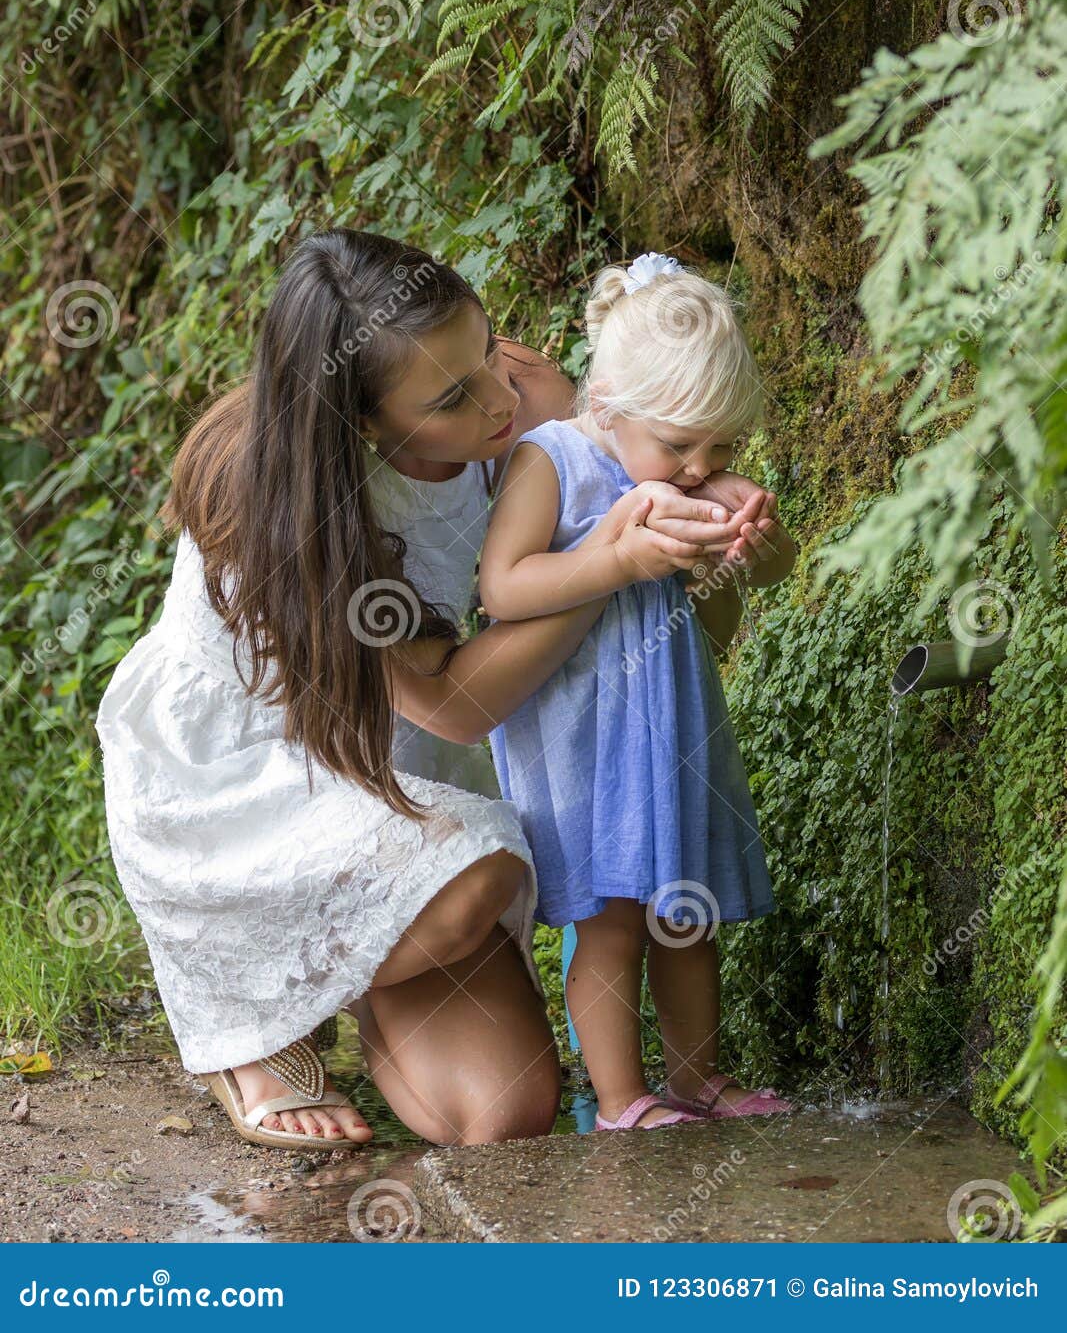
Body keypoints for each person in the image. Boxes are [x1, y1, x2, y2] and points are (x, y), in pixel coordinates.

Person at [95, 230, 746, 1151]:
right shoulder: (290, 516)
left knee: (501, 1112)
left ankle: (361, 967)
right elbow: (456, 705)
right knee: (475, 875)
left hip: (395, 769)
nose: (501, 402)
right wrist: (616, 561)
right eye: (451, 398)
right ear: (361, 421)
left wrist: (709, 500)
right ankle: (253, 1021)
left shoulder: (524, 393)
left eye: (488, 353)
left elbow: (639, 465)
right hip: (251, 785)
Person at [481, 252, 796, 1130]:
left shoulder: (690, 483)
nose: (698, 468)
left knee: (685, 915)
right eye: (680, 444)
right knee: (613, 920)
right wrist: (616, 558)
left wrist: (754, 544)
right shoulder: (554, 463)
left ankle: (700, 1079)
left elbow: (742, 600)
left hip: (673, 731)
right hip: (581, 734)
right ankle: (621, 1097)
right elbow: (503, 588)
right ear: (610, 407)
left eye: (721, 447)